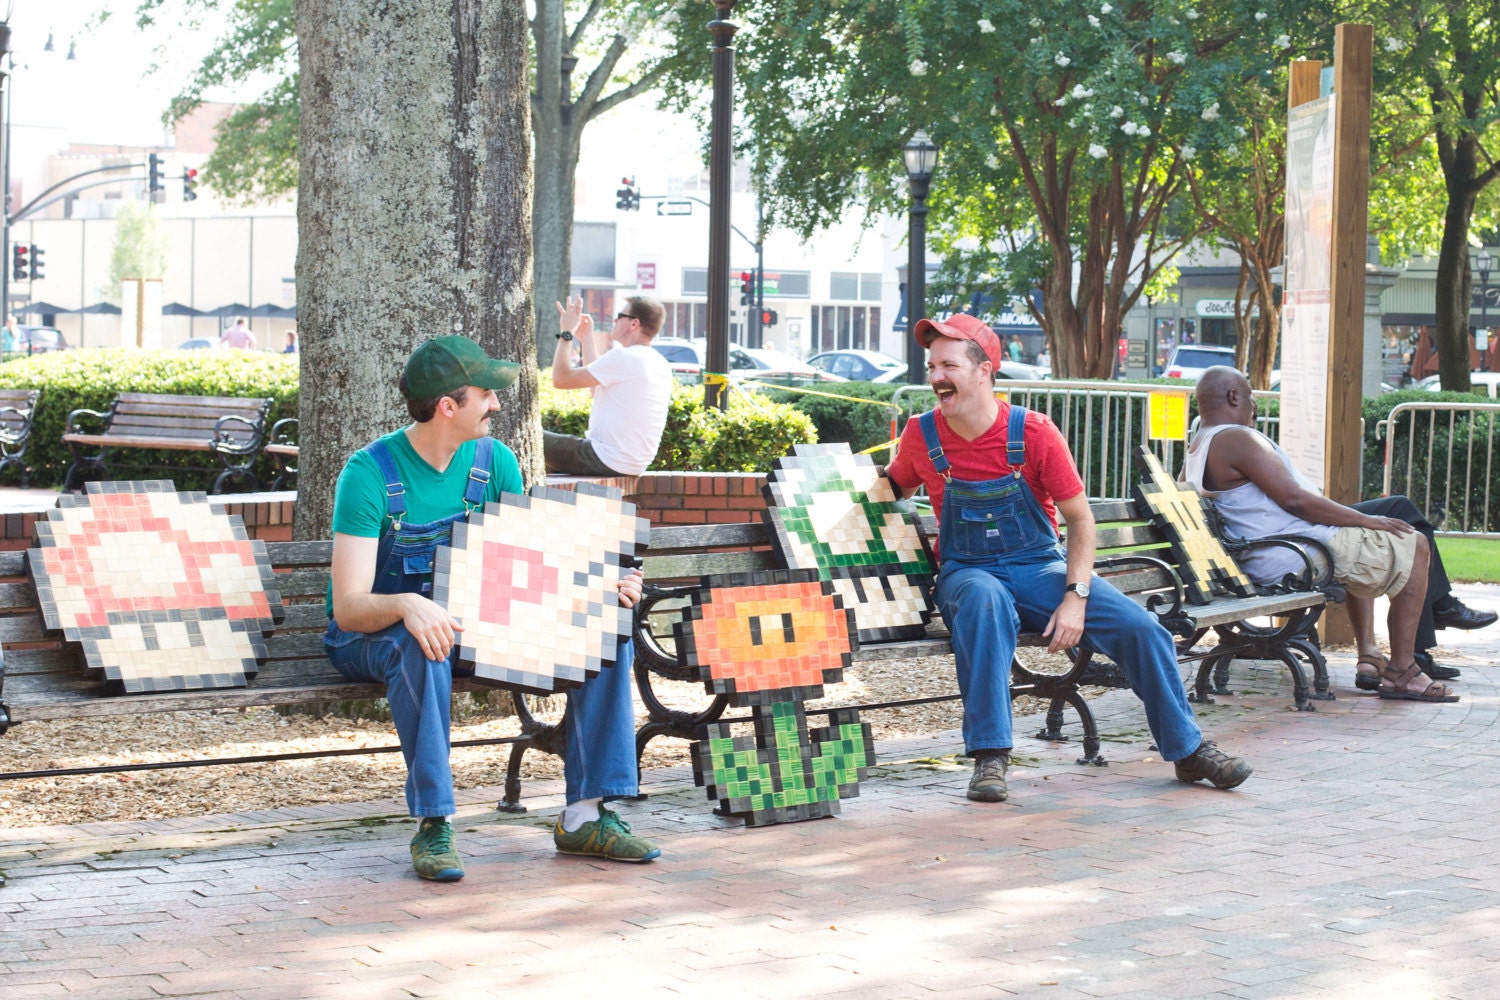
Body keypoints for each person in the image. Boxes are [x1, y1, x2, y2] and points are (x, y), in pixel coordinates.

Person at [326, 336, 661, 882]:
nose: (497, 404)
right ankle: (434, 822)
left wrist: (604, 584)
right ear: (447, 406)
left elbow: (532, 569)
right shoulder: (368, 474)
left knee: (607, 627)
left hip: (474, 626)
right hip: (373, 637)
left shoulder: (495, 461)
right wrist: (408, 604)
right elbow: (348, 609)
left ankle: (585, 816)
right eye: (486, 394)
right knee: (421, 643)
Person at [885, 314, 1252, 803]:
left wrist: (1075, 597)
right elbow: (890, 488)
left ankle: (1187, 750)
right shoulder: (921, 434)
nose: (936, 377)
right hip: (968, 572)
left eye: (948, 366)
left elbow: (1080, 520)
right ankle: (990, 755)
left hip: (1040, 567)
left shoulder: (1034, 432)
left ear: (984, 370)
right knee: (983, 600)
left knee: (1143, 629)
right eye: (932, 366)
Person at [1184, 366, 1460, 703]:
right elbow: (1295, 500)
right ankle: (1403, 671)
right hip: (1291, 555)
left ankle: (1372, 655)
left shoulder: (1198, 447)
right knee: (1414, 545)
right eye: (1250, 396)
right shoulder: (1235, 439)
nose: (1253, 404)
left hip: (1267, 554)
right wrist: (1367, 520)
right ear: (1233, 396)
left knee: (1367, 529)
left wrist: (1358, 522)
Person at [1348, 495, 1495, 686]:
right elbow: (1306, 503)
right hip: (1311, 523)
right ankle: (1436, 615)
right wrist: (1365, 519)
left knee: (1399, 519)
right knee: (1404, 511)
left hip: (1311, 523)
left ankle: (1382, 652)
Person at [544, 295, 673, 477]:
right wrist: (586, 338)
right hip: (628, 464)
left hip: (603, 457)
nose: (614, 321)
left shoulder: (625, 357)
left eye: (620, 316)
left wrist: (566, 331)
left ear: (634, 323)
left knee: (525, 434)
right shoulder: (659, 363)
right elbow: (596, 390)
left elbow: (561, 379)